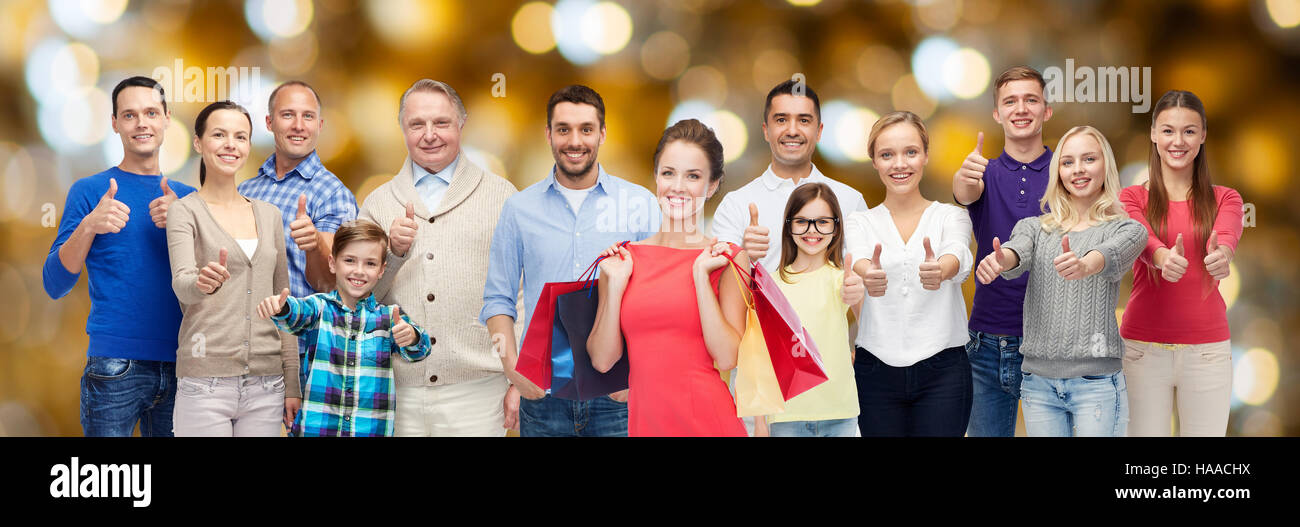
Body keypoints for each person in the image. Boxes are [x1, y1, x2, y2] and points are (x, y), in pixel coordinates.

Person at [480, 85, 658, 436]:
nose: (574, 141)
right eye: (563, 129)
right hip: (544, 398)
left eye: (586, 129)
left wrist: (640, 376)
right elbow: (497, 300)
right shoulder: (519, 210)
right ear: (548, 134)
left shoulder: (640, 204)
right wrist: (513, 370)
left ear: (602, 134)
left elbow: (656, 300)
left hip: (618, 396)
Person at [359, 79, 519, 436]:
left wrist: (518, 379)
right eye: (417, 124)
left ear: (461, 124)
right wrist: (393, 254)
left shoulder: (500, 195)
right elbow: (358, 299)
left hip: (479, 390)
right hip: (401, 392)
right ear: (403, 129)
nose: (429, 134)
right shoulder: (378, 203)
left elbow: (521, 292)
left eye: (441, 123)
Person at [43, 76, 197, 437]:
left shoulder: (189, 199)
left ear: (166, 119)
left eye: (150, 113)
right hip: (114, 368)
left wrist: (185, 222)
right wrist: (89, 226)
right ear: (114, 123)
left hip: (184, 366)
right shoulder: (90, 192)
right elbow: (54, 283)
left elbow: (215, 284)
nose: (141, 123)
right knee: (108, 483)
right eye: (129, 115)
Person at [976, 125, 1146, 437]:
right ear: (1058, 173)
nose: (1078, 169)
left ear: (1105, 165)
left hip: (1096, 383)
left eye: (1089, 159)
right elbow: (1019, 250)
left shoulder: (1127, 228)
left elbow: (1111, 254)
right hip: (1038, 383)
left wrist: (1086, 264)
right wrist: (1003, 259)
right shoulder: (1034, 228)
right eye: (1068, 162)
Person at [587, 119, 748, 437]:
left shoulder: (725, 257)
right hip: (646, 426)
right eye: (668, 173)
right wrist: (616, 286)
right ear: (656, 178)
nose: (678, 187)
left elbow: (728, 356)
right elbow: (603, 360)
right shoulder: (623, 259)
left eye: (693, 176)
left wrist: (701, 277)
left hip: (710, 425)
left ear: (712, 185)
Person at [165, 100, 299, 436]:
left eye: (240, 137)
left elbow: (285, 304)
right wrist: (202, 282)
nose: (230, 144)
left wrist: (292, 380)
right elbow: (181, 283)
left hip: (268, 386)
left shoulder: (270, 215)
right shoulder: (184, 212)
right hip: (204, 384)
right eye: (219, 135)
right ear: (198, 143)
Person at [1118, 90, 1244, 437]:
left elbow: (1228, 232)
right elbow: (1137, 234)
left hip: (1207, 354)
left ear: (1202, 136)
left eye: (1189, 131)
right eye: (1168, 130)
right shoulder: (1131, 198)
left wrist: (1222, 256)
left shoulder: (1226, 198)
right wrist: (1160, 256)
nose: (1178, 141)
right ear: (1154, 134)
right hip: (1142, 353)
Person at [845, 111, 973, 437]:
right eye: (887, 154)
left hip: (944, 368)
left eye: (910, 152)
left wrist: (941, 270)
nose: (899, 164)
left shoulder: (950, 216)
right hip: (875, 370)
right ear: (874, 161)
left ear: (925, 156)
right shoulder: (860, 222)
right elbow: (858, 257)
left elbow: (957, 253)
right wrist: (866, 273)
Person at [238, 81, 359, 398]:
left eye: (307, 117)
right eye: (287, 114)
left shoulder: (334, 196)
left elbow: (332, 285)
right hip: (243, 355)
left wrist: (315, 243)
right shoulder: (245, 191)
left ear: (319, 126)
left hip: (305, 361)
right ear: (269, 123)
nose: (298, 125)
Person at [953, 66, 1055, 437]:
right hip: (987, 344)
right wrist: (962, 179)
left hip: (1054, 343)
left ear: (1047, 110)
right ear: (997, 114)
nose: (1021, 108)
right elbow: (965, 192)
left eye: (1031, 99)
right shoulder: (982, 173)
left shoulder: (1067, 172)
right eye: (1010, 101)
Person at [260, 220, 432, 437]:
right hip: (317, 430)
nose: (359, 271)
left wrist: (412, 337)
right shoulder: (319, 308)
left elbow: (421, 348)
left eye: (370, 264)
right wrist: (281, 307)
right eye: (350, 260)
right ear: (333, 263)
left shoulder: (389, 318)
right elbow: (295, 313)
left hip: (369, 431)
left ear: (381, 270)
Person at [711, 79, 869, 269]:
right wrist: (743, 255)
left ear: (819, 132)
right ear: (766, 131)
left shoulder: (851, 202)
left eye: (803, 120)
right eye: (781, 120)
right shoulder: (735, 206)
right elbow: (721, 284)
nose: (792, 131)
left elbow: (864, 284)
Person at [763, 183, 863, 437]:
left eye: (822, 222)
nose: (812, 231)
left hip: (840, 413)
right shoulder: (769, 286)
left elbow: (870, 332)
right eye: (802, 222)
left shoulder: (843, 279)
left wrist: (858, 296)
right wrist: (760, 423)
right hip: (786, 415)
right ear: (789, 226)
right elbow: (761, 358)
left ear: (836, 227)